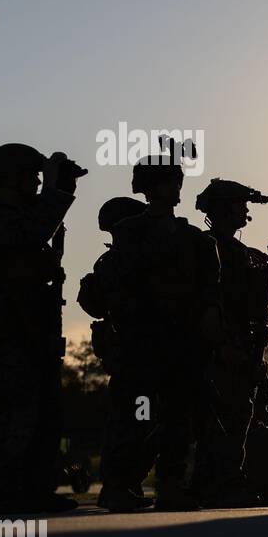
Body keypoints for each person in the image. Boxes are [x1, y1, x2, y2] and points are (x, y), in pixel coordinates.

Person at [0, 143, 84, 514]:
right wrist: (57, 194)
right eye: (32, 176)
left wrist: (60, 191)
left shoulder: (23, 215)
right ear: (10, 178)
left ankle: (37, 489)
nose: (37, 182)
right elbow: (31, 234)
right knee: (17, 414)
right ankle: (9, 493)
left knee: (45, 415)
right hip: (9, 334)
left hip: (32, 331)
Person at [107, 137, 224, 511]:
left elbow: (210, 287)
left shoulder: (194, 238)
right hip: (143, 341)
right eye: (168, 181)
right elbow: (120, 284)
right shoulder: (130, 232)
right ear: (150, 187)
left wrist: (205, 321)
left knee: (178, 417)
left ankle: (171, 486)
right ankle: (121, 485)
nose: (176, 187)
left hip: (181, 342)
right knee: (137, 415)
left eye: (177, 180)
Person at [191, 179, 268, 508]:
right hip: (219, 347)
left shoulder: (241, 253)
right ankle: (217, 482)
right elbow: (207, 302)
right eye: (239, 205)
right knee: (222, 418)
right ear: (224, 208)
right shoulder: (208, 248)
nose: (245, 212)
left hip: (240, 344)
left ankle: (218, 480)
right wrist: (223, 344)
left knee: (237, 415)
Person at [78, 196, 152, 511]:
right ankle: (119, 486)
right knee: (132, 422)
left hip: (136, 355)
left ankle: (122, 485)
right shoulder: (121, 262)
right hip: (134, 355)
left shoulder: (112, 262)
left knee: (138, 421)